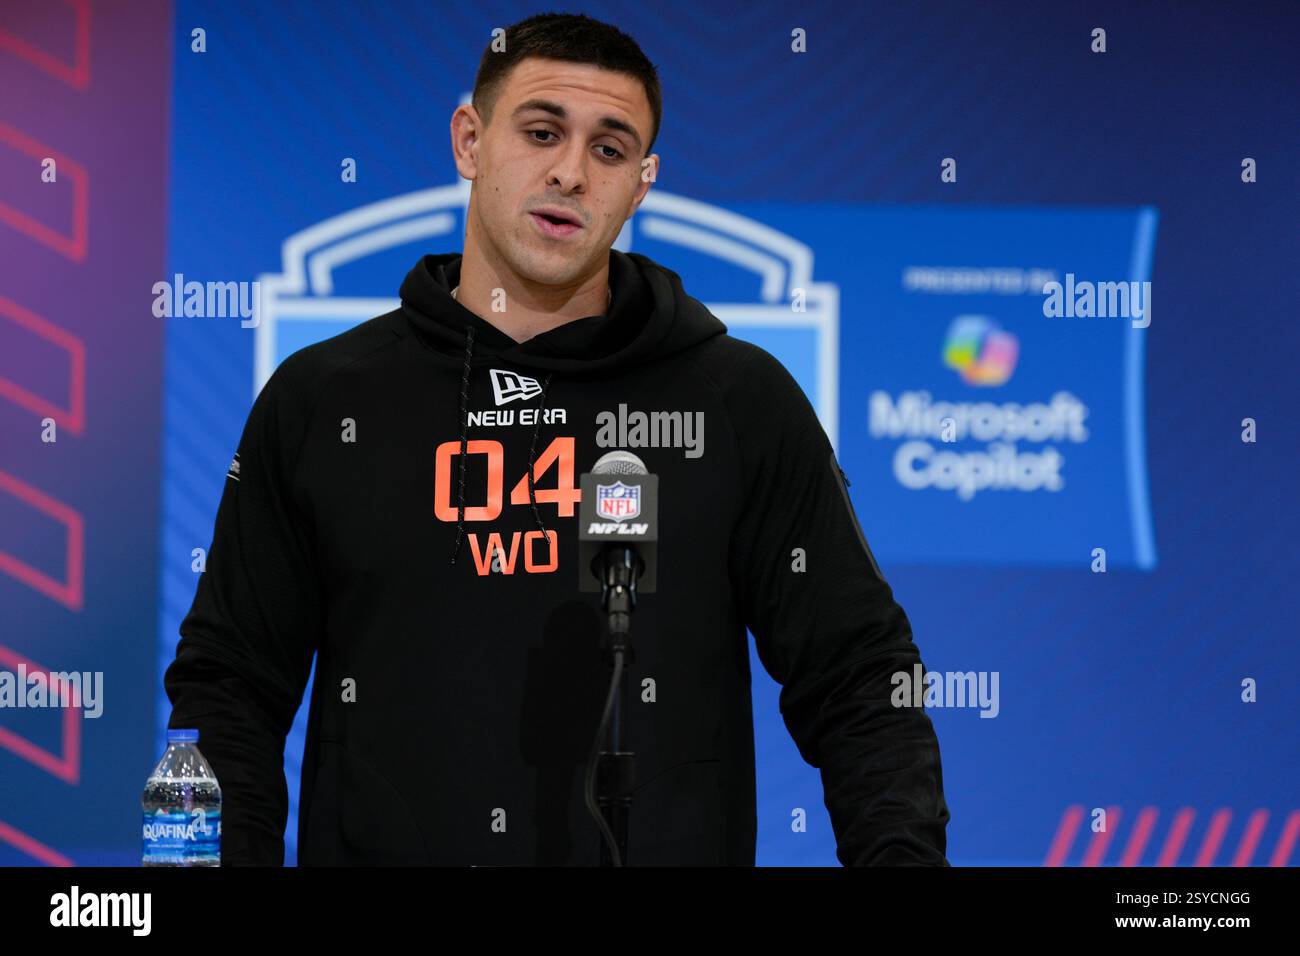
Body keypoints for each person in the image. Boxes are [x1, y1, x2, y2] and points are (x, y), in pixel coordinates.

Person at [164, 11, 950, 866]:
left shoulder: (737, 400)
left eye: (610, 150)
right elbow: (229, 690)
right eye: (541, 132)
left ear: (642, 183)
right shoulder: (324, 399)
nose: (571, 173)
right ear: (470, 141)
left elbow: (861, 675)